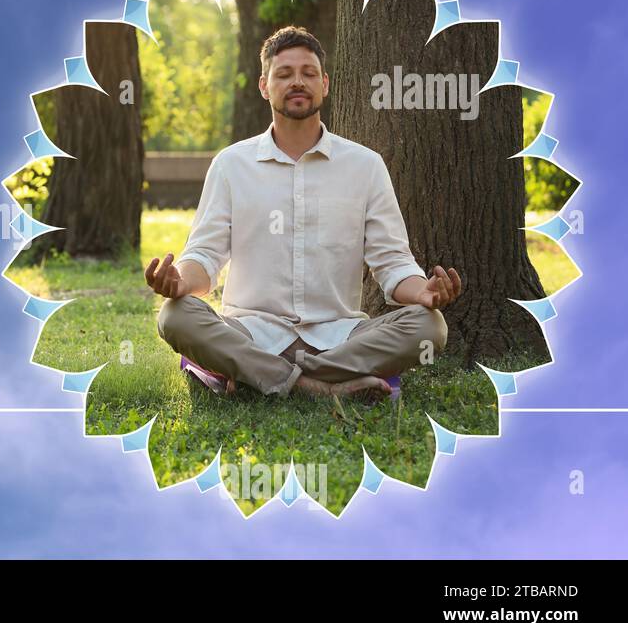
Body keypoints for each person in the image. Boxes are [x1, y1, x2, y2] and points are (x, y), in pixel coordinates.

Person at [146, 26, 462, 400]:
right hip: (251, 333)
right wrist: (180, 283)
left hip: (340, 338)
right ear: (264, 86)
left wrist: (423, 291)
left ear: (325, 84)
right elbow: (204, 255)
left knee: (429, 326)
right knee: (175, 316)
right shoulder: (231, 165)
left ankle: (266, 378)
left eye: (308, 73)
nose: (298, 81)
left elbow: (392, 262)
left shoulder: (365, 165)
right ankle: (317, 388)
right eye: (284, 74)